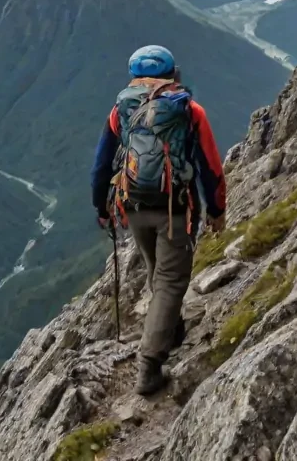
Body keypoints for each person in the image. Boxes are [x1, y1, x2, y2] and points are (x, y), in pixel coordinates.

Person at [91, 45, 226, 395]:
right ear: (172, 74)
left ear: (135, 75)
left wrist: (102, 208)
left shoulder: (120, 109)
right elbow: (210, 166)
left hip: (132, 204)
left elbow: (101, 165)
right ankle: (149, 365)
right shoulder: (188, 110)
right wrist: (216, 210)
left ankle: (171, 328)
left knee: (157, 271)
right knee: (169, 280)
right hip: (174, 208)